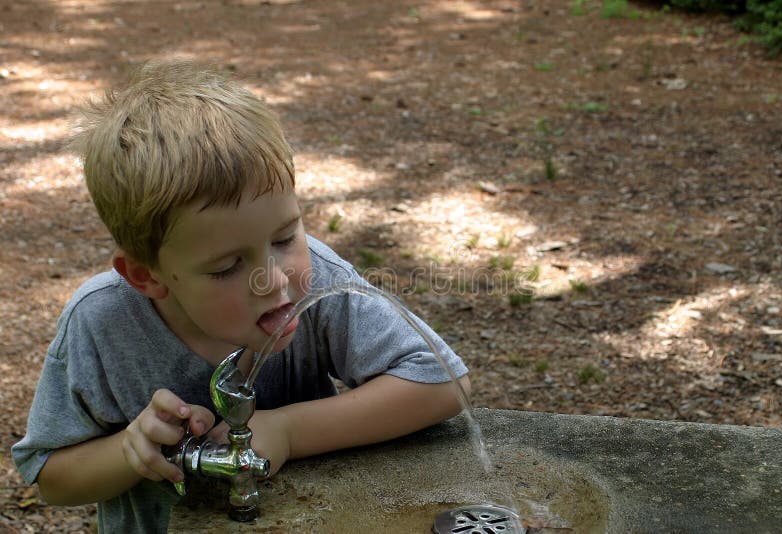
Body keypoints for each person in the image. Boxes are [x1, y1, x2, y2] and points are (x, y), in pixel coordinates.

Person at [12, 59, 470, 533]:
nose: (272, 279)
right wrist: (129, 451)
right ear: (147, 276)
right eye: (227, 267)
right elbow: (52, 477)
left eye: (285, 236)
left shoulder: (319, 277)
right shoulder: (102, 323)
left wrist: (289, 431)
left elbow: (443, 382)